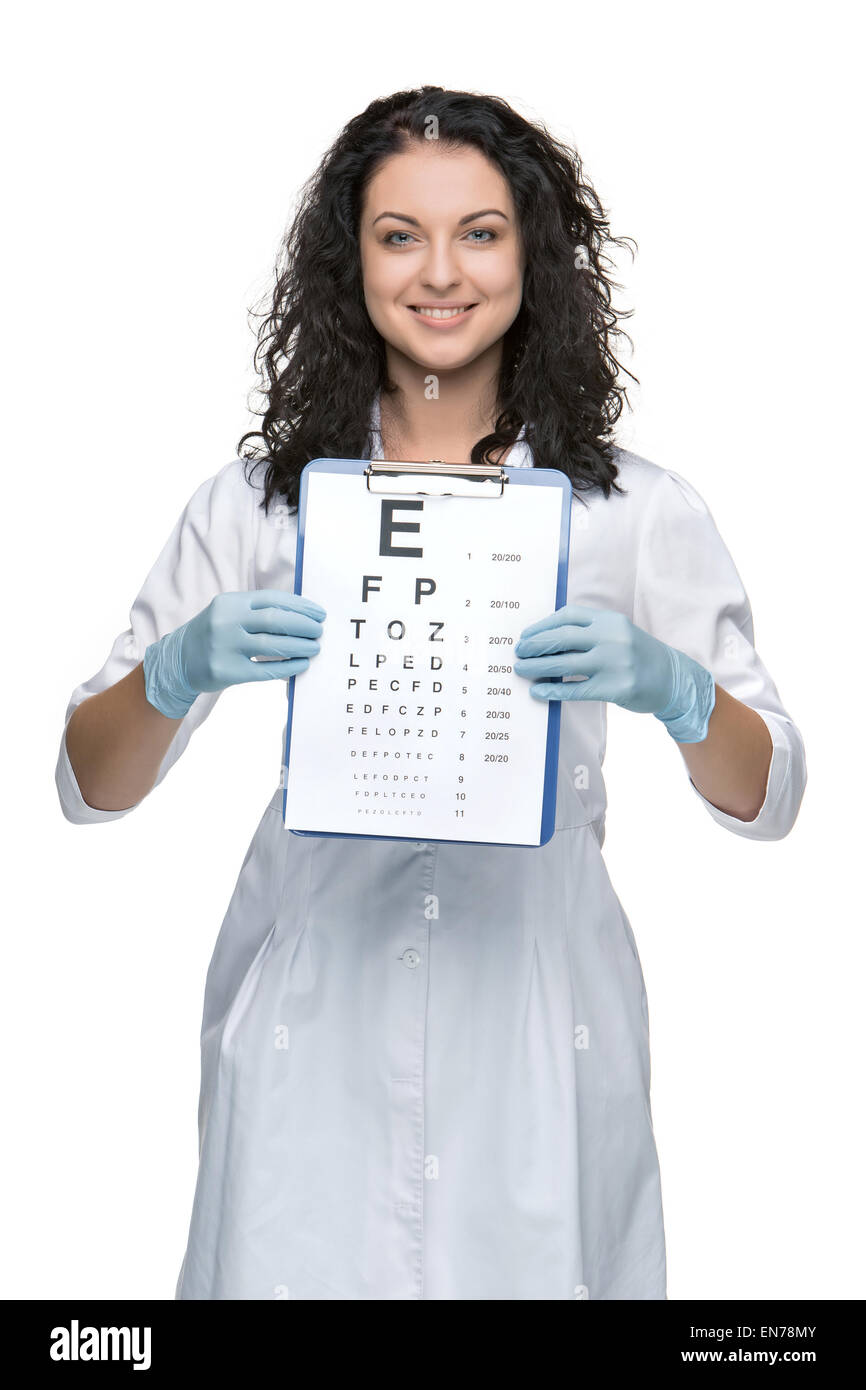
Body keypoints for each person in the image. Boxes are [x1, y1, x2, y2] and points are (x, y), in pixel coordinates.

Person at [55, 87, 807, 1301]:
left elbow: (767, 796)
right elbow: (87, 785)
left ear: (533, 255)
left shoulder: (630, 510)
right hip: (314, 1029)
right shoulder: (260, 504)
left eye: (481, 231)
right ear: (346, 261)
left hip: (535, 1024)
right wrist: (178, 665)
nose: (439, 272)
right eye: (398, 233)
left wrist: (670, 687)